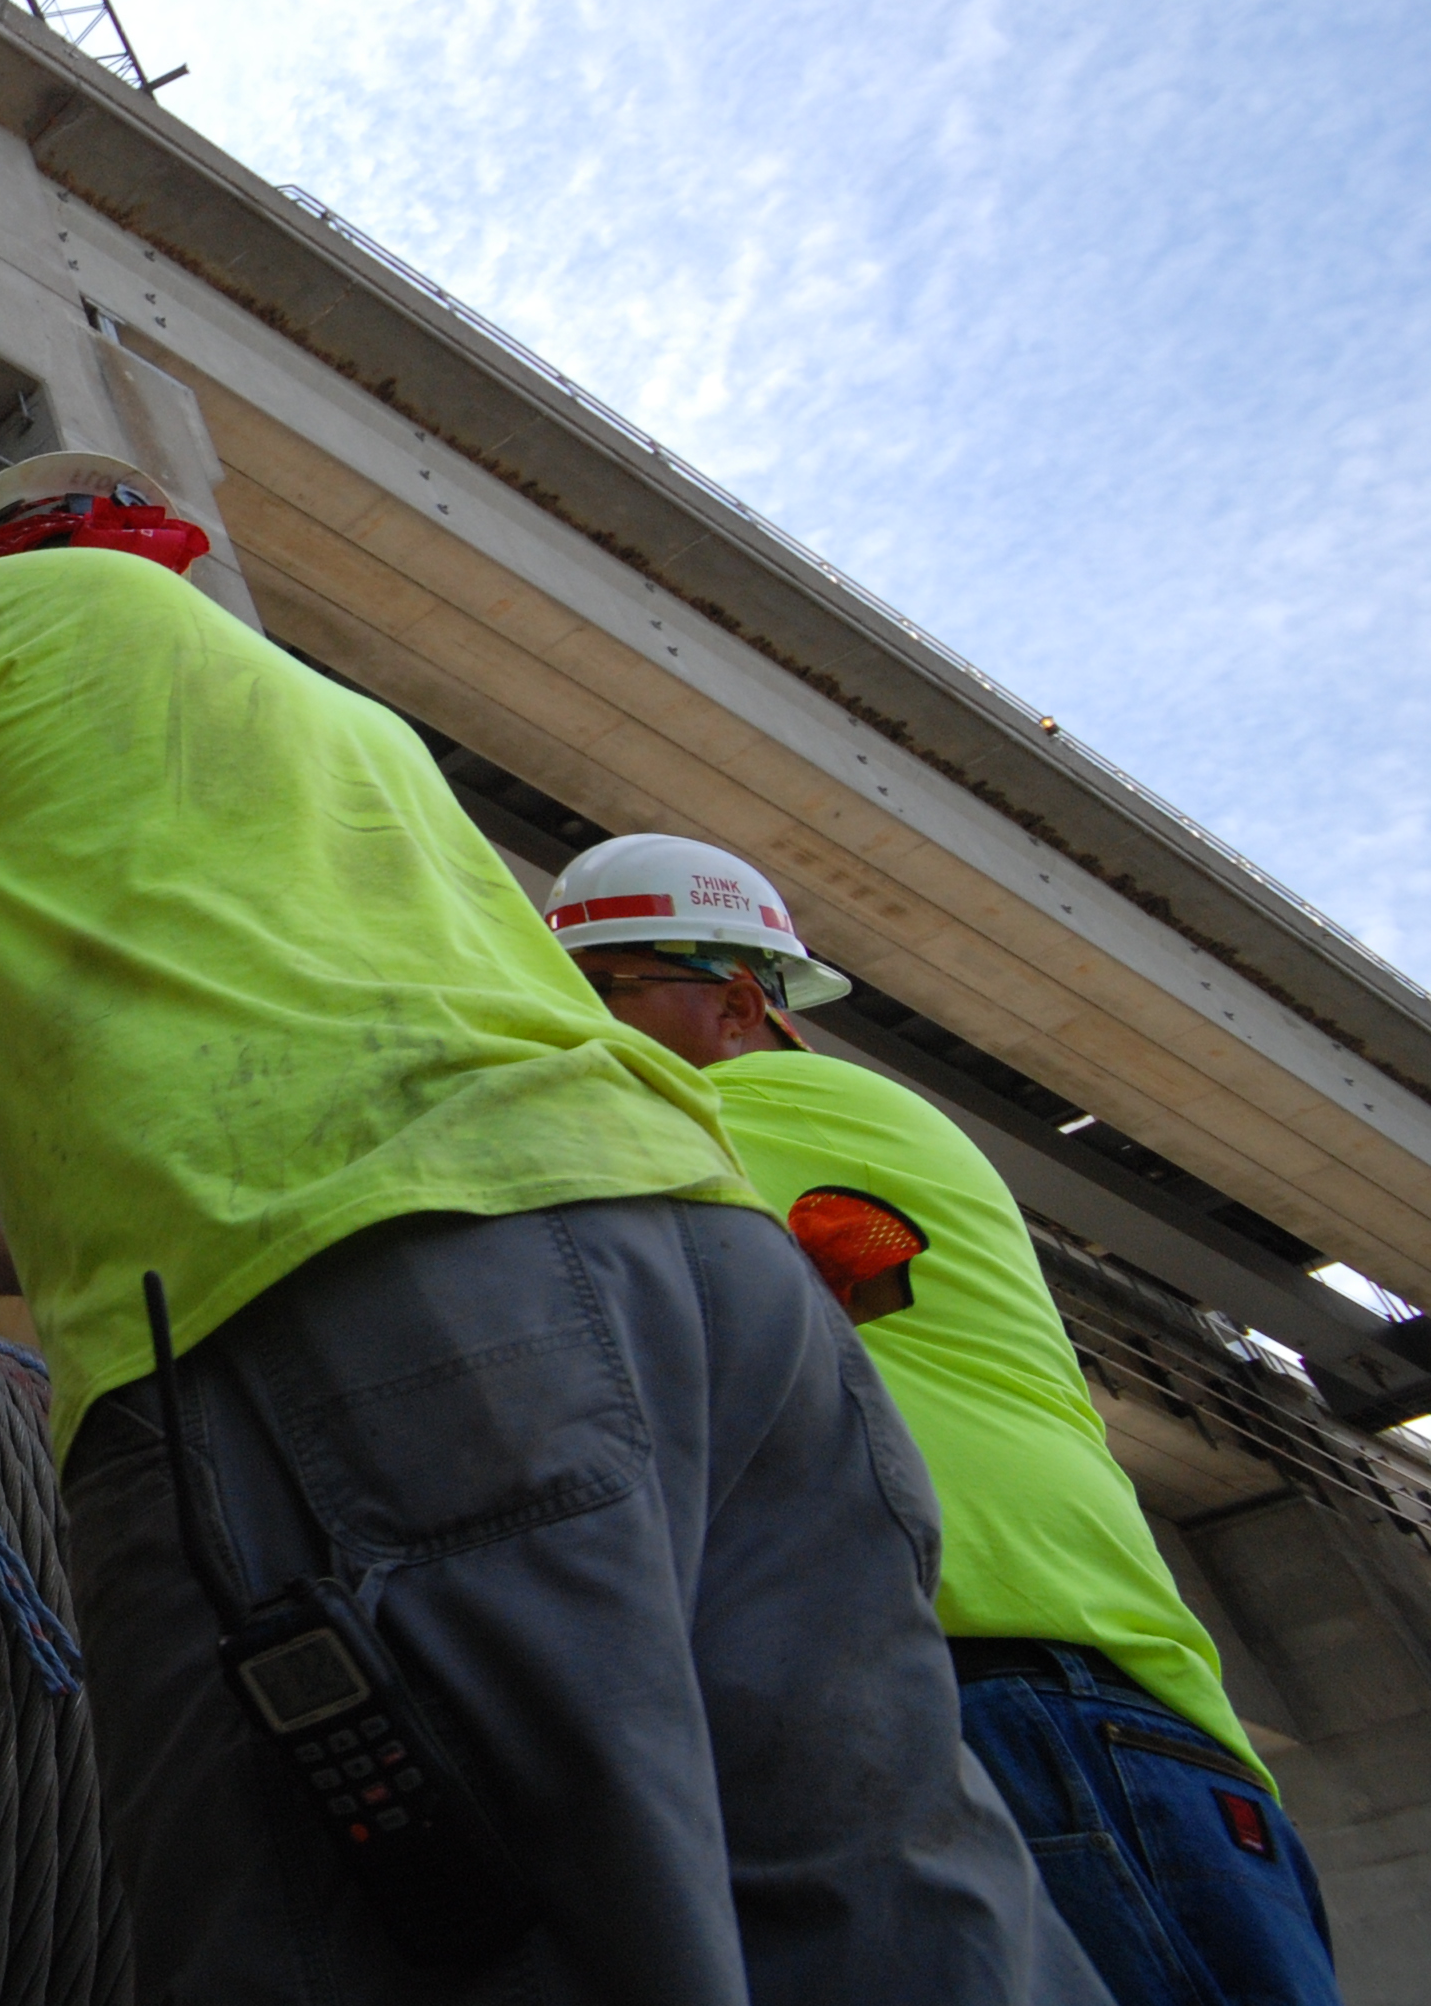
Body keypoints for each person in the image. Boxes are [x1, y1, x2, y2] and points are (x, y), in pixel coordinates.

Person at [0, 450, 1102, 2003]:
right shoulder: (345, 724)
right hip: (720, 1290)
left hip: (400, 1331)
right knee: (880, 1902)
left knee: (422, 1937)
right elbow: (333, 1123)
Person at [549, 832, 1339, 2006]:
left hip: (1029, 1691)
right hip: (1000, 1700)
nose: (574, 1028)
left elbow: (529, 1181)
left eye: (598, 993)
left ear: (734, 1002)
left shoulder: (780, 1101)